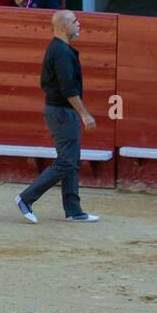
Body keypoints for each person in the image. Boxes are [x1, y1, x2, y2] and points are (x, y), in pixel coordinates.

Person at [15, 11, 99, 224]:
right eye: (74, 22)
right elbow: (68, 89)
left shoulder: (60, 49)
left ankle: (73, 210)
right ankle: (26, 198)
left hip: (61, 111)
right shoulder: (61, 52)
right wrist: (85, 114)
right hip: (62, 112)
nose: (79, 24)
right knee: (67, 161)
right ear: (63, 26)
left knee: (71, 160)